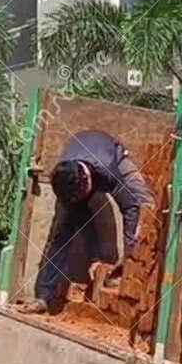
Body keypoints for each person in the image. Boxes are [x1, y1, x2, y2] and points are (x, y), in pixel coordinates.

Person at [16, 129, 153, 314]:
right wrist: (95, 258)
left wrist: (130, 256)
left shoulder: (108, 172)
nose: (78, 200)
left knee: (142, 202)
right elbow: (82, 219)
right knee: (61, 231)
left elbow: (130, 208)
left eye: (82, 194)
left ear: (87, 179)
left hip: (112, 155)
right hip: (83, 156)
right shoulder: (64, 178)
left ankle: (133, 274)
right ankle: (43, 297)